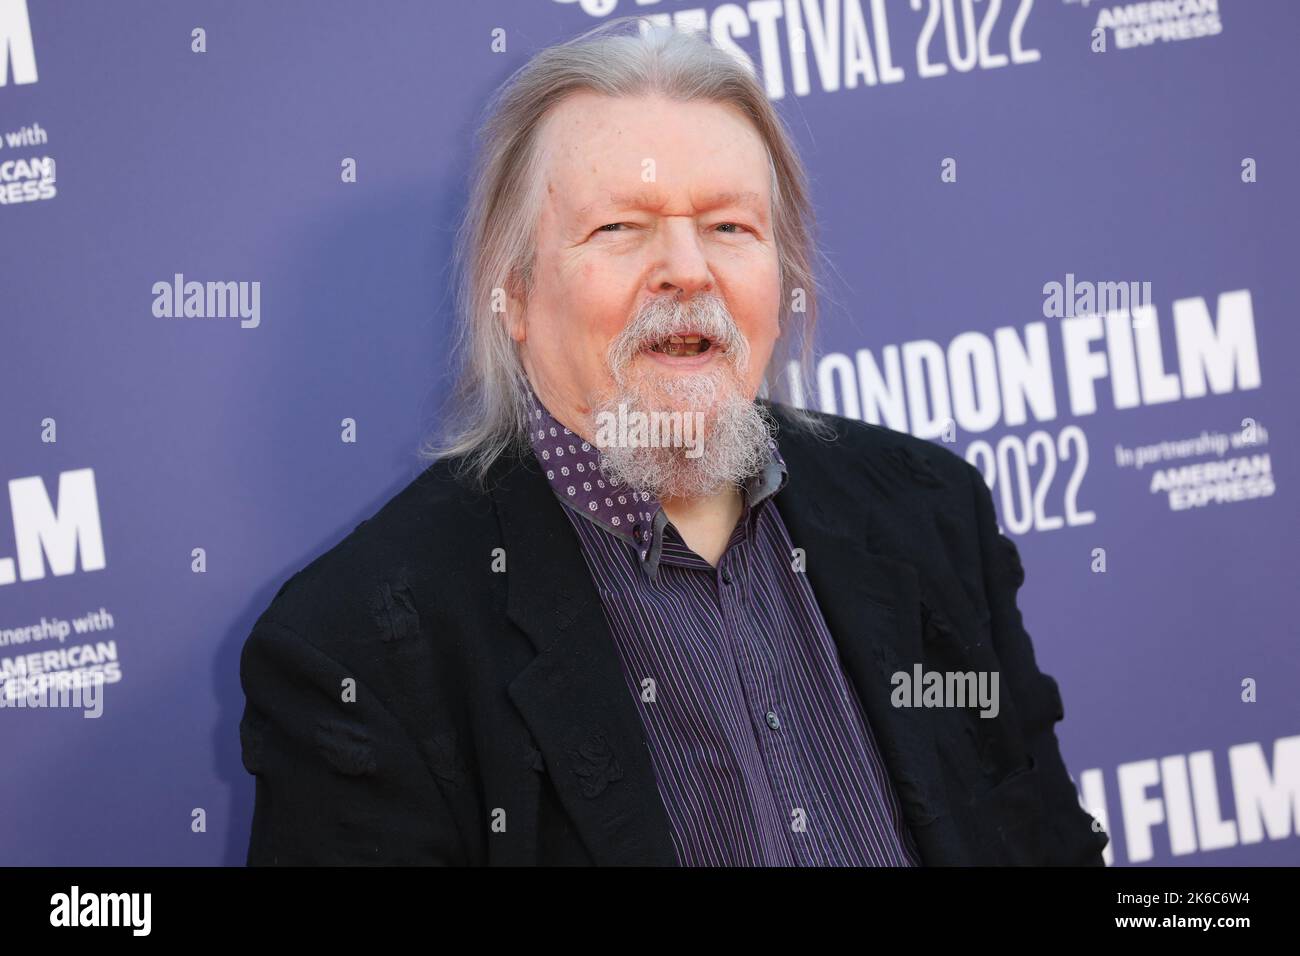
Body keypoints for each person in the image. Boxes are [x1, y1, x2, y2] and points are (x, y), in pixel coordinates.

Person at [238, 19, 1107, 866]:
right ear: (513, 296)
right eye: (620, 228)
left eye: (730, 227)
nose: (689, 271)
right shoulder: (360, 650)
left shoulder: (932, 514)